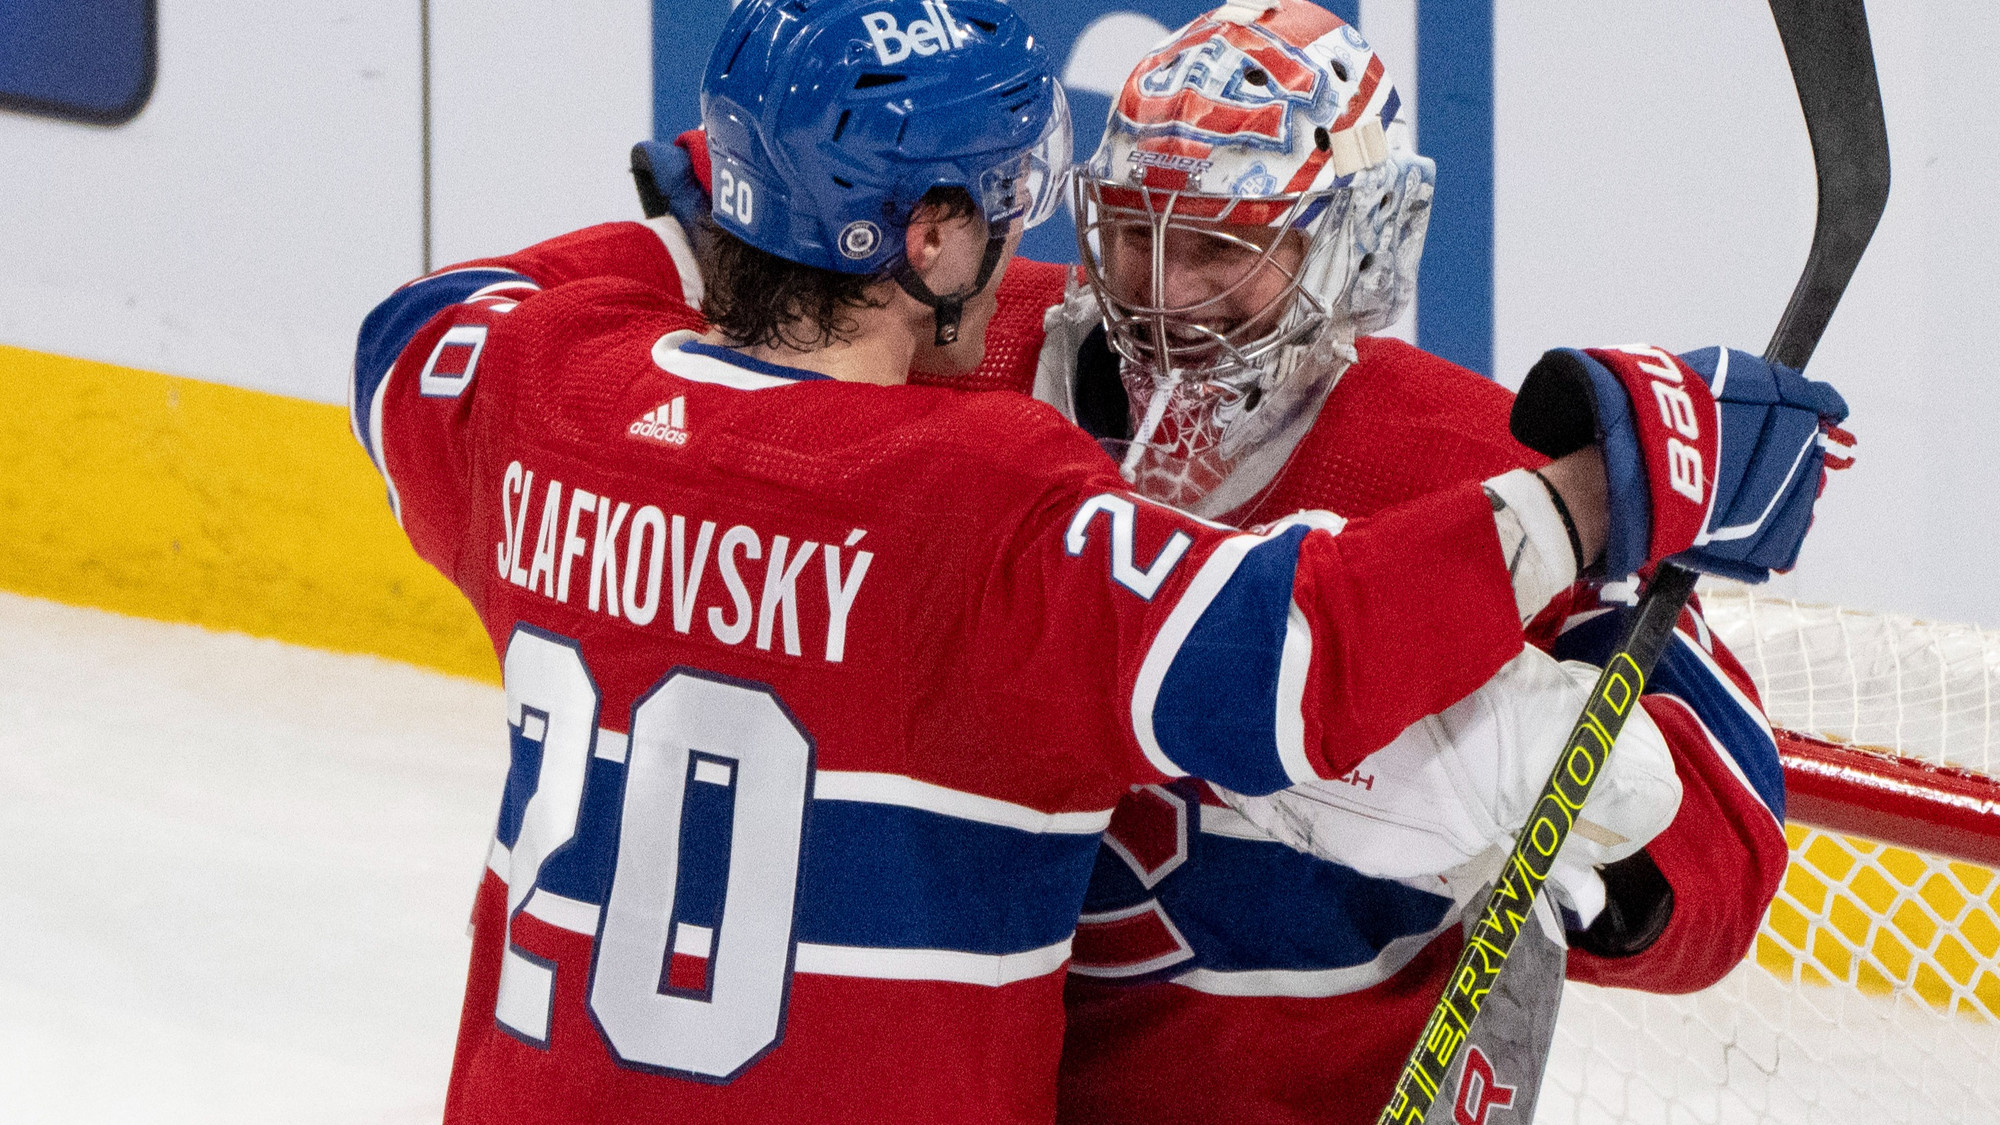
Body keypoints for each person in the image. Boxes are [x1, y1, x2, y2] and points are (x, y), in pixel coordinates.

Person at [341, 0, 1771, 1121]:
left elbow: (1722, 841)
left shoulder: (1461, 450)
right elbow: (1292, 652)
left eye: (1216, 247)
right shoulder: (976, 403)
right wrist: (1597, 495)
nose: (1155, 289)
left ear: (1363, 242)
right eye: (1127, 230)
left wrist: (1623, 859)